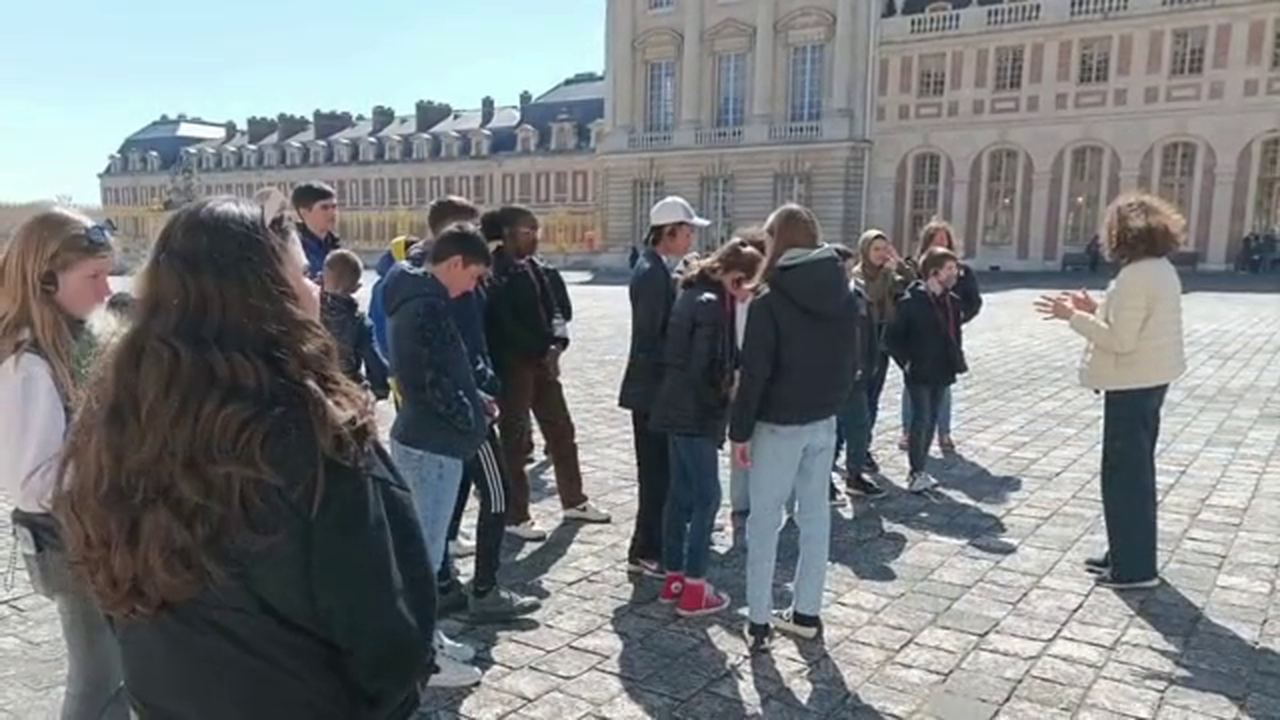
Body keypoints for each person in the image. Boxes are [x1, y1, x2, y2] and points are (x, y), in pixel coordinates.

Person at [47, 198, 461, 720]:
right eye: (303, 274)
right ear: (268, 298)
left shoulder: (116, 421)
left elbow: (114, 586)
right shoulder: (313, 433)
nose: (313, 288)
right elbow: (388, 628)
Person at [0, 209, 124, 720]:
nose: (105, 289)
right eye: (93, 276)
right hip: (71, 542)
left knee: (119, 674)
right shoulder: (26, 364)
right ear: (46, 280)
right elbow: (33, 482)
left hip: (96, 536)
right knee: (100, 676)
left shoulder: (77, 336)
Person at [1034, 193, 1186, 590]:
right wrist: (1097, 307)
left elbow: (1120, 340)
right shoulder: (1159, 269)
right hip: (1150, 379)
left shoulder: (1136, 276)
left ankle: (1134, 567)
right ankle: (1125, 551)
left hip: (1131, 382)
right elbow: (1133, 322)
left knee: (1124, 477)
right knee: (1132, 473)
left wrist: (1075, 317)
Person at [730, 204, 860, 653]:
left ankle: (760, 620)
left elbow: (754, 374)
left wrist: (739, 432)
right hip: (823, 420)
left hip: (777, 424)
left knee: (764, 523)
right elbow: (853, 361)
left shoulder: (771, 300)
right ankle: (806, 613)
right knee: (815, 520)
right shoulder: (845, 292)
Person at [415, 199, 541, 625]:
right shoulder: (443, 289)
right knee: (497, 492)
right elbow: (459, 351)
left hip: (461, 404)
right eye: (470, 229)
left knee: (454, 497)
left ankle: (445, 582)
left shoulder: (420, 282)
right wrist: (481, 391)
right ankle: (484, 589)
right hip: (466, 411)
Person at [384, 220, 491, 683]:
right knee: (423, 558)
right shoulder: (424, 306)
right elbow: (429, 381)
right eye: (472, 277)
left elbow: (441, 372)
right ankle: (424, 656)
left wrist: (473, 398)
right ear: (453, 263)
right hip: (432, 442)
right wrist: (471, 417)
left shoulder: (417, 296)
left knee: (424, 553)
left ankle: (428, 640)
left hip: (429, 438)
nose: (472, 288)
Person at [650, 238, 762, 617]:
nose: (751, 294)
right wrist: (727, 391)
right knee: (707, 498)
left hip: (673, 408)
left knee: (680, 495)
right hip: (695, 413)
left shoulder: (693, 292)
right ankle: (696, 586)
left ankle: (674, 577)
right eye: (750, 285)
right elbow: (705, 368)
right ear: (735, 277)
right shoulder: (713, 306)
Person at [485, 205, 611, 540]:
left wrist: (558, 344)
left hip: (543, 362)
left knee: (561, 431)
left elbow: (556, 309)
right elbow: (503, 325)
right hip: (514, 367)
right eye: (529, 231)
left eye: (536, 230)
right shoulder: (494, 273)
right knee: (515, 442)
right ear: (509, 233)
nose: (536, 237)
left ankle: (574, 500)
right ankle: (516, 515)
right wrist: (539, 349)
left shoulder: (537, 267)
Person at [618, 196, 706, 575]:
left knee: (661, 472)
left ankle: (651, 542)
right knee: (655, 474)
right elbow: (653, 338)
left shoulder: (655, 267)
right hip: (651, 390)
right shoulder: (651, 273)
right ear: (668, 232)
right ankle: (644, 549)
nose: (690, 238)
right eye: (686, 231)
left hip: (653, 388)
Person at [884, 247, 968, 494]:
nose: (955, 273)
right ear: (934, 272)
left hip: (942, 370)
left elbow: (956, 335)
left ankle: (921, 469)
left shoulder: (952, 302)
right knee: (920, 419)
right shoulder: (911, 302)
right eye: (950, 269)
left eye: (955, 268)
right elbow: (891, 338)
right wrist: (906, 363)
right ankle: (915, 471)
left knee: (932, 418)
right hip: (919, 371)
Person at [899, 219, 982, 454]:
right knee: (912, 387)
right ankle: (908, 431)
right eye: (935, 240)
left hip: (947, 339)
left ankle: (943, 432)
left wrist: (956, 318)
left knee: (943, 388)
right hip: (918, 340)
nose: (940, 244)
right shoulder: (914, 268)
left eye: (944, 240)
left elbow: (973, 302)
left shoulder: (961, 271)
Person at [851, 231, 912, 473]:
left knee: (873, 399)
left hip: (882, 342)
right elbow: (866, 299)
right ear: (865, 250)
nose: (881, 254)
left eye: (884, 249)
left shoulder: (890, 275)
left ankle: (863, 447)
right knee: (856, 400)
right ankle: (848, 448)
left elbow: (913, 285)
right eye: (876, 249)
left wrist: (899, 264)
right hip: (860, 343)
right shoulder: (855, 276)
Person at [836, 244, 885, 498]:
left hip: (857, 376)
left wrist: (871, 363)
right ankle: (823, 482)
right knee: (831, 433)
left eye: (847, 266)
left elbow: (870, 334)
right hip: (830, 379)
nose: (845, 272)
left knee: (860, 425)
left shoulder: (859, 295)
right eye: (840, 268)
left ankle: (854, 475)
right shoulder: (822, 299)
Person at [727, 228, 769, 517]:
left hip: (735, 370)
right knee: (753, 439)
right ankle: (749, 499)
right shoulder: (757, 297)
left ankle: (742, 499)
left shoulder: (729, 292)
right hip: (747, 371)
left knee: (740, 440)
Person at [320, 249, 390, 400]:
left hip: (317, 387)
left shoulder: (310, 309)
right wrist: (380, 388)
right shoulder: (359, 322)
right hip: (346, 390)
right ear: (356, 287)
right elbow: (373, 359)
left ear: (323, 277)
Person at [291, 181, 341, 280]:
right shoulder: (293, 249)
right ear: (304, 212)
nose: (333, 213)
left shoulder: (335, 246)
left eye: (334, 207)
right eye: (324, 208)